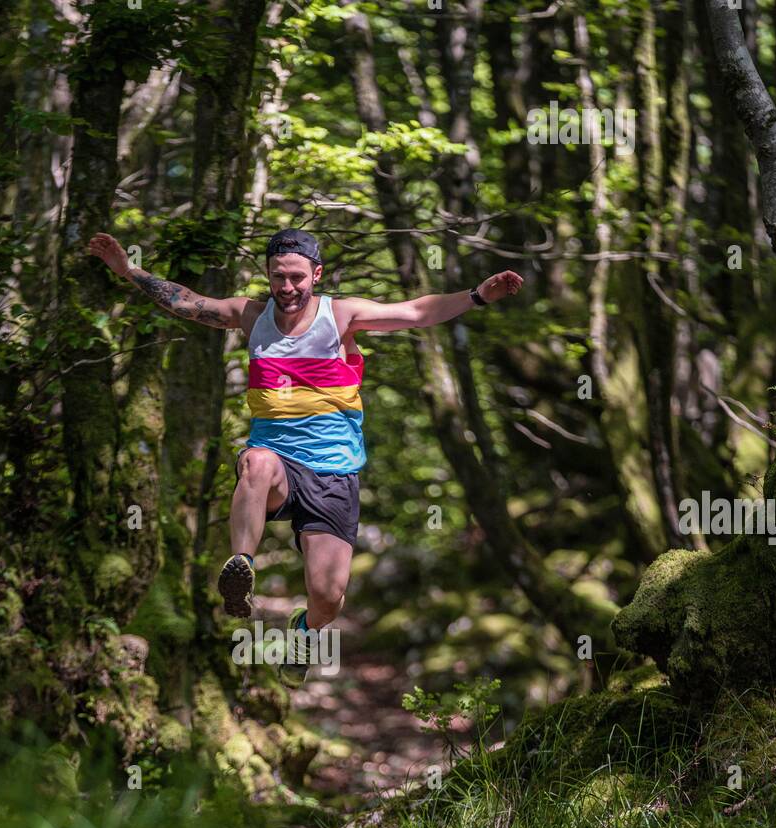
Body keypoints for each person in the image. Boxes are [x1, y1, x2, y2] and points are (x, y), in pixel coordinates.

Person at [88, 227, 523, 684]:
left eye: (297, 277)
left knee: (328, 597)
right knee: (257, 463)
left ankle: (304, 630)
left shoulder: (342, 316)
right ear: (268, 276)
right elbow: (188, 302)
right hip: (276, 463)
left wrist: (477, 295)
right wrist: (128, 269)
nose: (288, 288)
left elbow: (415, 311)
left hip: (333, 473)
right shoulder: (250, 315)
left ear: (316, 274)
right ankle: (241, 568)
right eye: (279, 277)